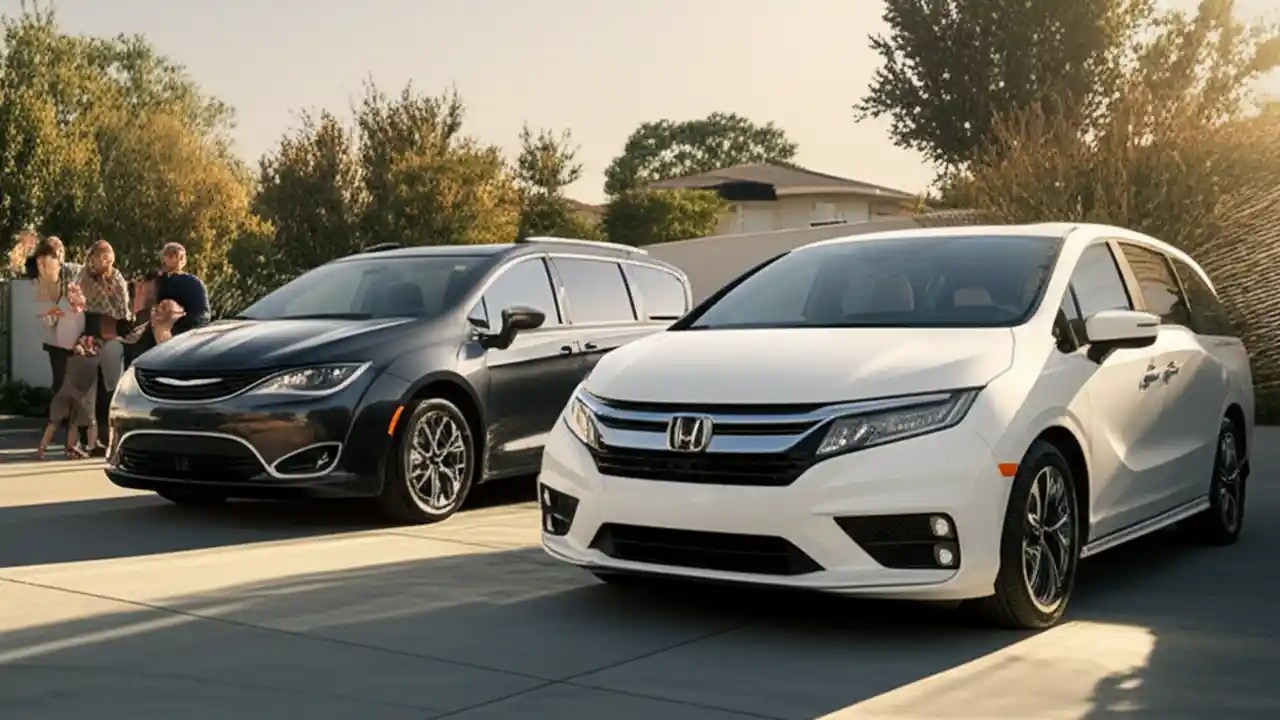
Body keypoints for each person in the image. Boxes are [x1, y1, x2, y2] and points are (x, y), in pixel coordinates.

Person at [78, 240, 132, 452]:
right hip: (89, 335)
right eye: (101, 255)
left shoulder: (116, 277)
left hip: (111, 336)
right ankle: (88, 439)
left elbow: (122, 307)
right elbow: (79, 306)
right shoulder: (83, 277)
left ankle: (110, 437)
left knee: (112, 387)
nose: (106, 259)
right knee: (87, 390)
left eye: (109, 255)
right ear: (92, 257)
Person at [37, 335, 102, 460]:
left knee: (56, 423)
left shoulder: (72, 359)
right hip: (80, 396)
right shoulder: (92, 362)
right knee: (84, 423)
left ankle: (44, 448)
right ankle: (84, 447)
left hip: (66, 393)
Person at [157, 242, 209, 335]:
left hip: (183, 329)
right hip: (197, 326)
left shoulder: (172, 282)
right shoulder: (194, 281)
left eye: (167, 256)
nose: (163, 260)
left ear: (176, 258)